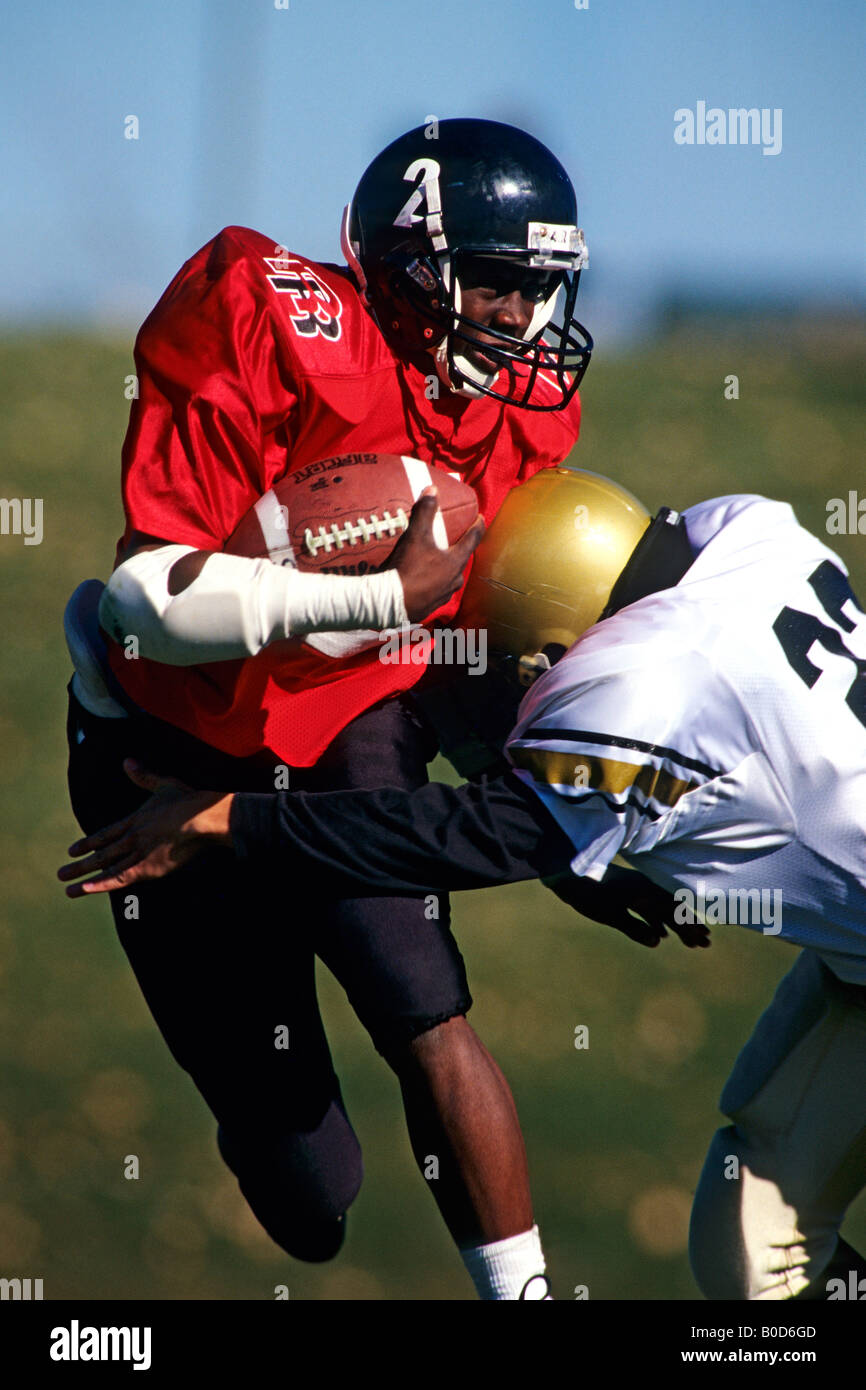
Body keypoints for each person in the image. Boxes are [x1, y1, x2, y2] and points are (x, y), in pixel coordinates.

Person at [62, 467, 866, 1302]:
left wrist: (234, 818)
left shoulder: (647, 681)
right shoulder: (747, 534)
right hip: (855, 961)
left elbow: (467, 834)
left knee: (759, 1249)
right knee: (754, 1242)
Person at [62, 118, 594, 1299]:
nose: (522, 319)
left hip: (353, 716)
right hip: (164, 740)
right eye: (498, 283)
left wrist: (575, 824)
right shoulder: (272, 315)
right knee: (313, 1193)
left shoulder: (518, 415)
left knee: (423, 1004)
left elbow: (477, 661)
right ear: (411, 267)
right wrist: (372, 588)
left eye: (541, 289)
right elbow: (151, 595)